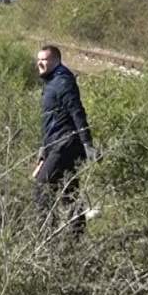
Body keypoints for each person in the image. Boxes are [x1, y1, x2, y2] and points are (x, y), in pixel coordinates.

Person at [32, 45, 97, 235]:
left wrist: (87, 144)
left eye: (45, 59)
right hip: (57, 144)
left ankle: (45, 237)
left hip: (66, 144)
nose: (40, 63)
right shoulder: (52, 82)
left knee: (42, 188)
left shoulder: (62, 82)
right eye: (39, 59)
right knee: (69, 191)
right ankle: (77, 238)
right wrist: (44, 149)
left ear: (56, 61)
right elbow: (53, 120)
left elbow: (77, 112)